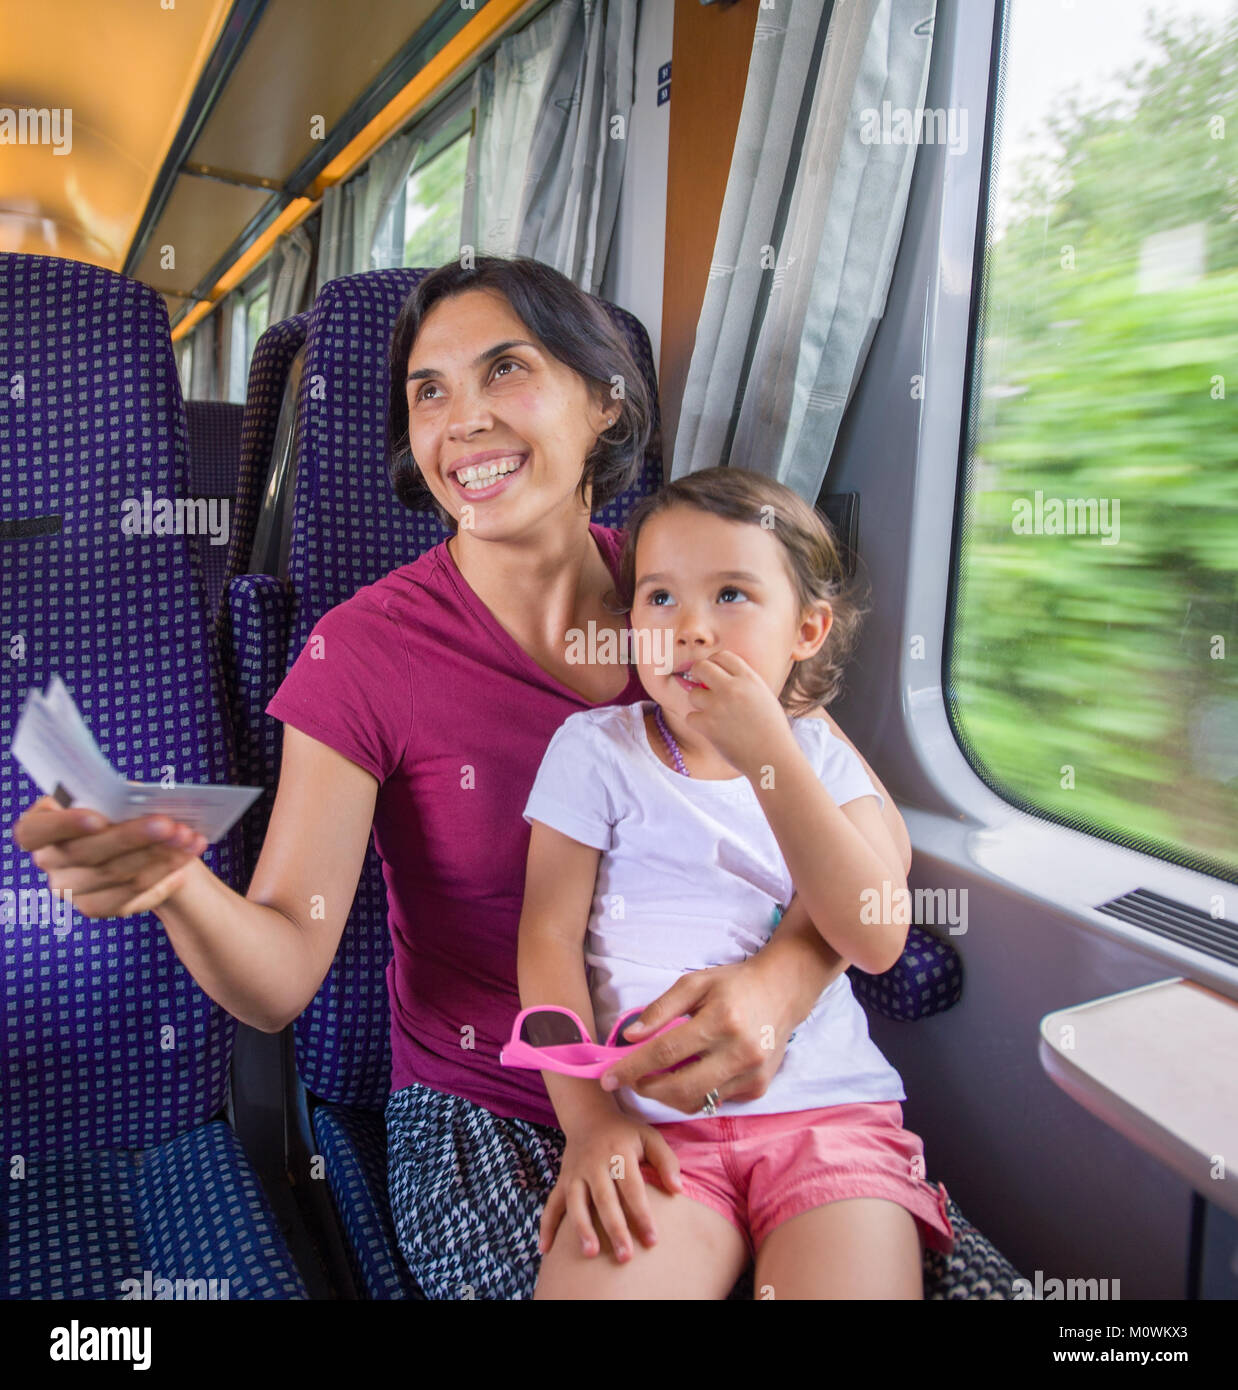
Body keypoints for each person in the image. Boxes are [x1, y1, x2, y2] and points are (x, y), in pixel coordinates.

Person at [10, 255, 913, 1300]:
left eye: (505, 370)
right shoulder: (361, 653)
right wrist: (178, 888)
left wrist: (777, 985)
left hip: (780, 1080)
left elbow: (864, 833)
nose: (460, 420)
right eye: (427, 390)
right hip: (495, 1093)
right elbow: (281, 975)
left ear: (604, 405)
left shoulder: (689, 588)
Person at [518, 466, 954, 1299]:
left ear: (808, 630)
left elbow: (873, 935)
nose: (690, 630)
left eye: (731, 596)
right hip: (654, 1123)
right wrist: (589, 1121)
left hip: (829, 1119)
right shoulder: (594, 749)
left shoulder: (819, 759)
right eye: (659, 598)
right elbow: (546, 940)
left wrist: (768, 755)